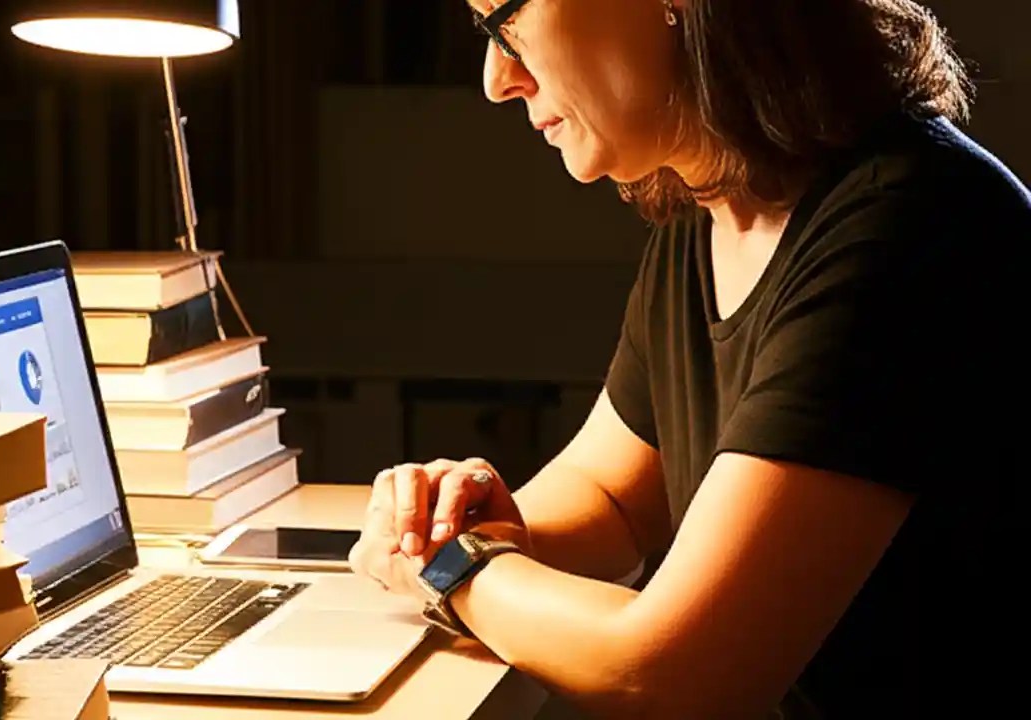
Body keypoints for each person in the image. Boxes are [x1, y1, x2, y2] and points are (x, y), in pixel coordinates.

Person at [347, 1, 1030, 718]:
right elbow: (611, 495)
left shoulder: (909, 227)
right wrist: (442, 522)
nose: (498, 77)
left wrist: (452, 572)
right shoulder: (715, 214)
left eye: (505, 18)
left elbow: (674, 671)